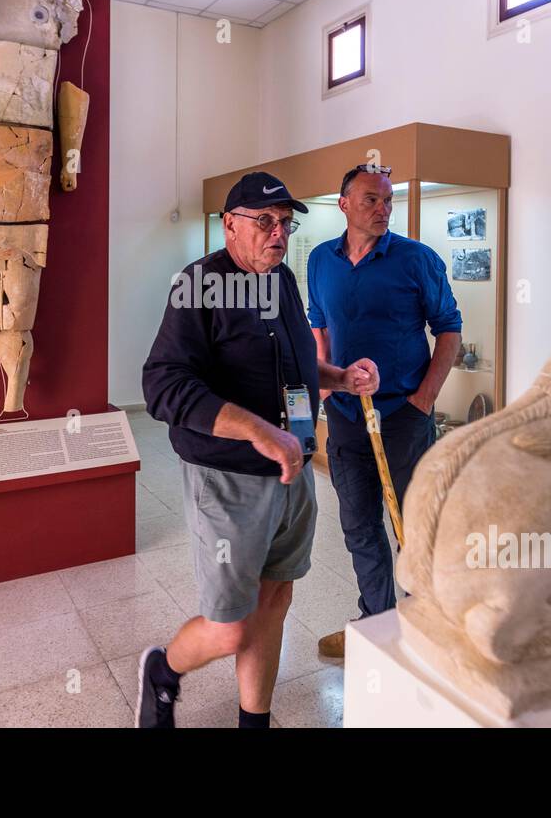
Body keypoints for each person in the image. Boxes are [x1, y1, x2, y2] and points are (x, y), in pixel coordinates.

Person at [138, 171, 378, 728]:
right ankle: (164, 670)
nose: (278, 234)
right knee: (232, 627)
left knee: (274, 606)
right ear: (229, 225)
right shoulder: (196, 286)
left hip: (291, 477)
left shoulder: (283, 283)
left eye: (285, 224)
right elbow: (164, 386)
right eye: (265, 222)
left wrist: (340, 378)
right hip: (229, 479)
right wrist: (258, 430)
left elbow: (292, 373)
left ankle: (255, 723)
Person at [307, 163, 463, 659]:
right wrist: (329, 387)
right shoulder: (320, 261)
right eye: (371, 199)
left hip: (402, 418)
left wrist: (424, 400)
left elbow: (450, 331)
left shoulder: (417, 260)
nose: (382, 209)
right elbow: (319, 326)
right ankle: (375, 624)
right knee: (358, 524)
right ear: (345, 205)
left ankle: (424, 630)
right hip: (349, 420)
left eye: (388, 200)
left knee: (412, 529)